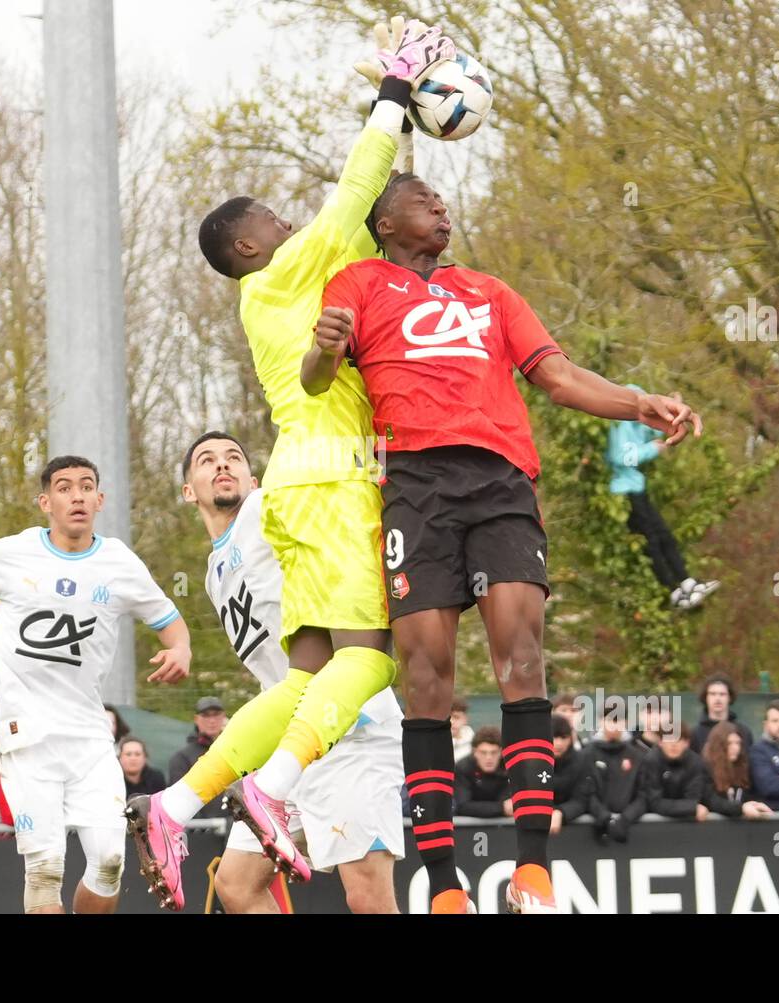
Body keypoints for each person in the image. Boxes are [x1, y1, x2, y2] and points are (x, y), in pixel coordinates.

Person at [310, 173, 704, 914]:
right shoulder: (357, 281)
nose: (441, 206)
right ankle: (445, 885)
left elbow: (554, 375)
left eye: (442, 200)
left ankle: (533, 870)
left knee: (522, 657)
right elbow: (315, 380)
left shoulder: (490, 292)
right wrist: (324, 350)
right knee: (426, 678)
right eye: (424, 197)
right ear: (386, 221)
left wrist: (637, 401)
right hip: (415, 488)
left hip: (500, 484)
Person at [130, 17, 452, 903]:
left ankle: (182, 798)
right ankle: (265, 790)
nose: (290, 218)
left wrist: (411, 118)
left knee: (310, 672)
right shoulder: (282, 272)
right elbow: (353, 193)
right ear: (248, 245)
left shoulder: (283, 287)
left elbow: (368, 212)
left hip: (300, 483)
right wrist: (393, 89)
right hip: (334, 474)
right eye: (273, 216)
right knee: (375, 657)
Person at [130, 433, 404, 914]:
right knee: (237, 885)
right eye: (207, 460)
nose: (222, 465)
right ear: (188, 491)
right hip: (289, 745)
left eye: (234, 458)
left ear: (254, 481)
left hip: (349, 731)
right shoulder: (215, 567)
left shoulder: (263, 511)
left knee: (367, 899)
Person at [0, 454, 189, 915]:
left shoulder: (119, 562)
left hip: (90, 738)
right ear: (46, 501)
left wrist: (180, 648)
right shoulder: (10, 554)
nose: (77, 495)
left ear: (100, 500)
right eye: (64, 487)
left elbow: (169, 620)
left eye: (86, 486)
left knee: (108, 864)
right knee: (45, 870)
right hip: (28, 738)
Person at [606, 396, 719, 608]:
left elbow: (651, 433)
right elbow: (621, 456)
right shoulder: (621, 420)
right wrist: (652, 449)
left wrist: (673, 420)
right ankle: (674, 592)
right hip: (624, 492)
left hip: (637, 487)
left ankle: (687, 583)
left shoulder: (636, 421)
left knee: (664, 535)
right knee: (651, 542)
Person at [583, 714, 648, 843]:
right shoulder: (586, 755)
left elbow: (644, 794)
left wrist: (625, 819)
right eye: (609, 720)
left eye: (618, 721)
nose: (613, 725)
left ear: (626, 723)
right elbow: (584, 792)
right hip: (592, 834)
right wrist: (605, 818)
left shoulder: (638, 756)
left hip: (631, 833)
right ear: (601, 722)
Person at [701, 721, 771, 818]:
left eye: (738, 743)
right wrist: (741, 808)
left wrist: (755, 804)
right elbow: (711, 801)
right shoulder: (704, 769)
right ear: (718, 745)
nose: (735, 748)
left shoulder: (743, 767)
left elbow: (750, 794)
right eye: (729, 743)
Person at [638, 723, 708, 820]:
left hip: (688, 824)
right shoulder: (651, 761)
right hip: (654, 824)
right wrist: (691, 808)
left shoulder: (696, 763)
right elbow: (654, 802)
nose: (673, 744)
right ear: (660, 742)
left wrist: (691, 807)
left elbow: (693, 799)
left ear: (687, 743)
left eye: (678, 740)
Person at [454, 726, 511, 818]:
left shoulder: (508, 768)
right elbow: (462, 806)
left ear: (501, 752)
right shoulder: (462, 768)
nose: (489, 758)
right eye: (483, 752)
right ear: (475, 752)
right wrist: (502, 808)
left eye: (494, 752)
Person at [690, 673, 753, 754]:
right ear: (706, 697)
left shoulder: (743, 732)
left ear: (729, 697)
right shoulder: (695, 734)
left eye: (722, 694)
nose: (717, 698)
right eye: (713, 694)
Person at [548, 715, 589, 832]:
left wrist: (561, 812)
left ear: (570, 738)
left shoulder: (581, 761)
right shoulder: (532, 763)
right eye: (554, 737)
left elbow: (582, 799)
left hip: (574, 828)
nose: (559, 743)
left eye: (564, 737)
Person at [450, 697, 474, 761]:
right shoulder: (431, 745)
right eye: (447, 718)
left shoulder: (475, 745)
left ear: (465, 719)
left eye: (456, 717)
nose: (451, 722)